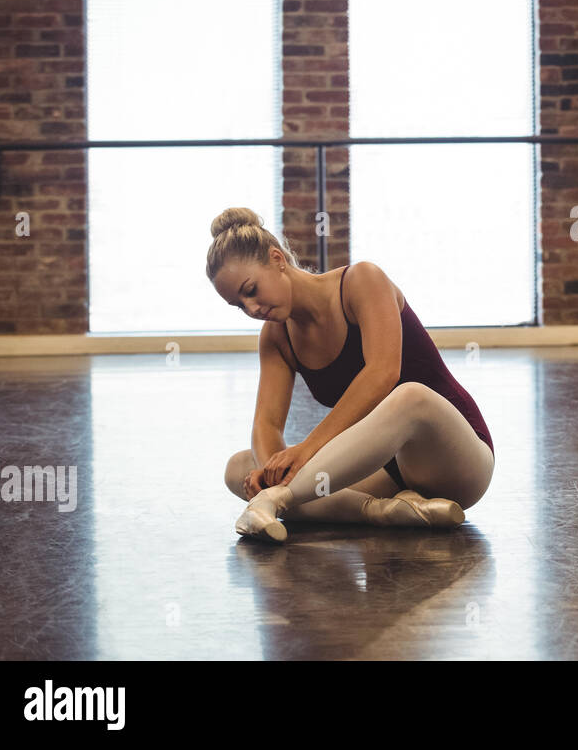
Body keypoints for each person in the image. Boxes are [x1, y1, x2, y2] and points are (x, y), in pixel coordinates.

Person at [206, 207, 495, 542]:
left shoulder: (361, 281)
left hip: (453, 459)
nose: (252, 308)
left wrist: (302, 457)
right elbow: (266, 424)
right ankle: (382, 511)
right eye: (239, 305)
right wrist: (271, 469)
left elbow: (383, 373)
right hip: (384, 470)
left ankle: (278, 500)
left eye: (251, 290)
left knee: (409, 395)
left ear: (277, 259)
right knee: (239, 469)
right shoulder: (276, 336)